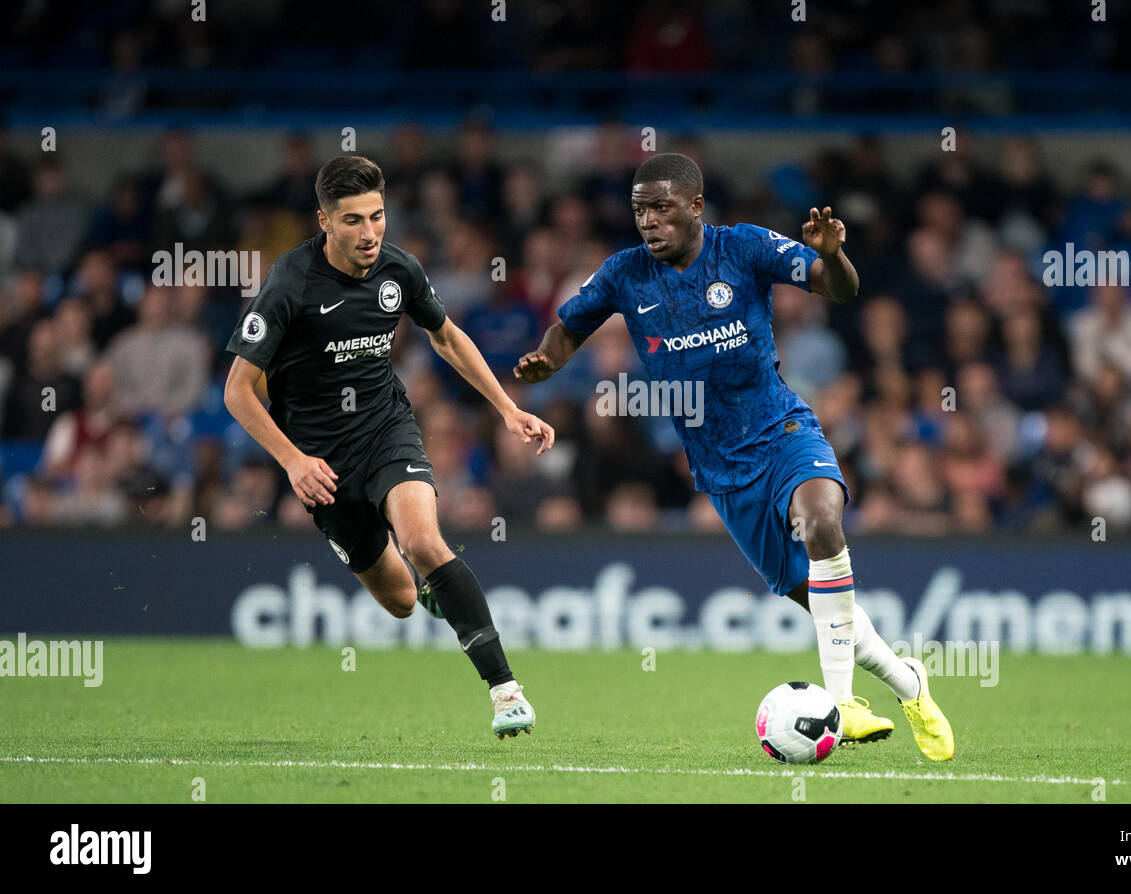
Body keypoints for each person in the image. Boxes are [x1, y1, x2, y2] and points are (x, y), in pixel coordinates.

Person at [515, 153, 953, 760]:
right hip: (721, 469)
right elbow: (567, 330)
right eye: (639, 209)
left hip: (781, 429)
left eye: (661, 207)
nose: (648, 221)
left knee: (822, 520)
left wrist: (831, 254)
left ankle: (843, 703)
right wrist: (546, 360)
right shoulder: (624, 275)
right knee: (825, 605)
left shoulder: (744, 248)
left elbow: (840, 288)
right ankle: (909, 682)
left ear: (696, 206)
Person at [225, 155, 553, 739]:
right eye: (353, 220)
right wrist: (293, 461)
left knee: (424, 541)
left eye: (377, 216)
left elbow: (446, 337)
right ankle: (434, 592)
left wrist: (508, 409)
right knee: (401, 601)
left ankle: (506, 693)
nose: (370, 232)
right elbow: (238, 391)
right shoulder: (290, 282)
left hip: (385, 430)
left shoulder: (399, 269)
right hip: (321, 462)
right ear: (324, 221)